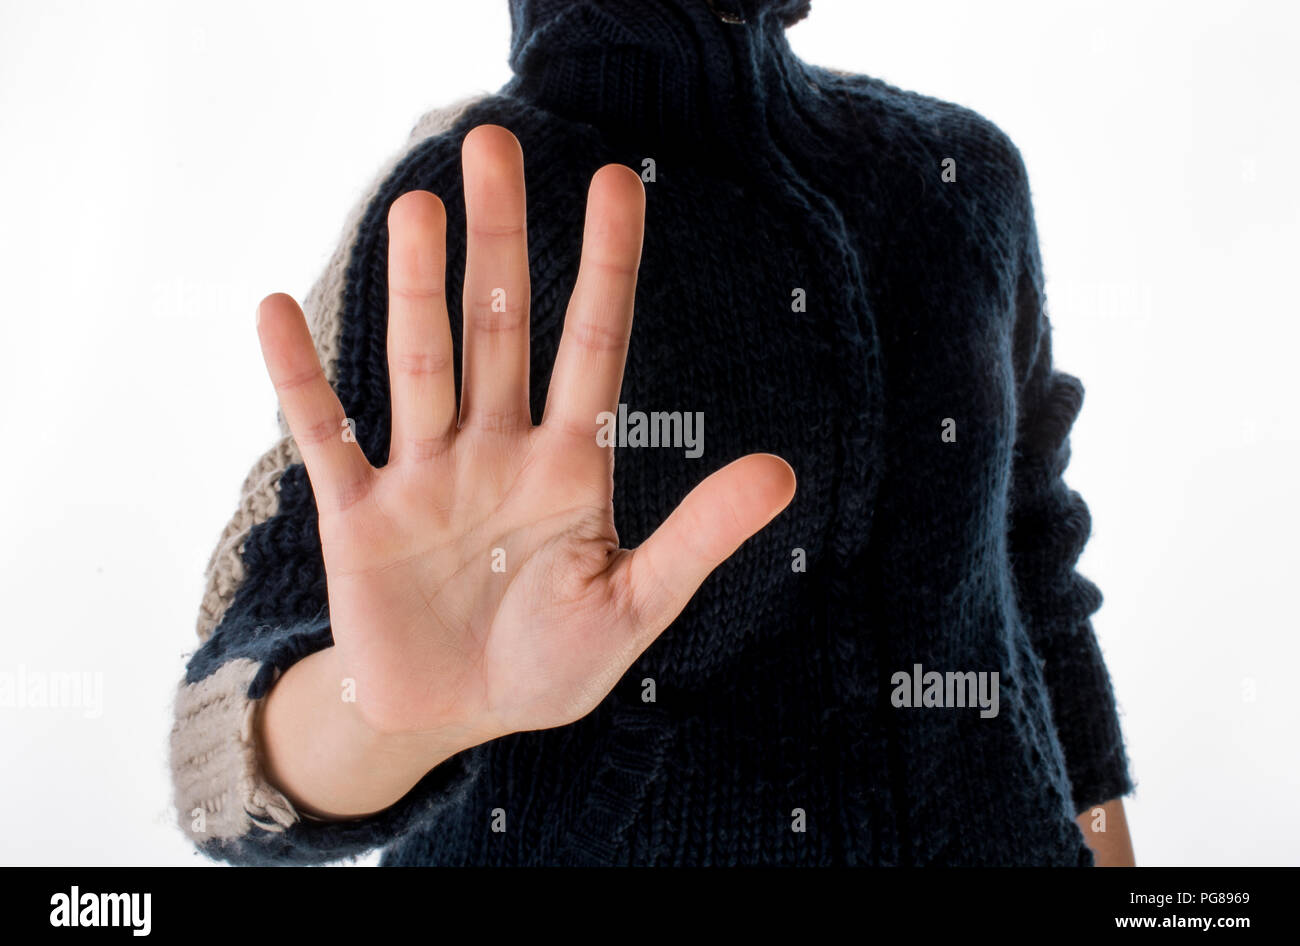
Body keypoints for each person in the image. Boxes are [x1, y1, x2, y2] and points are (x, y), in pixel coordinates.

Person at [170, 0, 1135, 865]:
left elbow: (1036, 562)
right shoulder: (466, 203)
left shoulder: (963, 178)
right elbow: (216, 762)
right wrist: (388, 718)